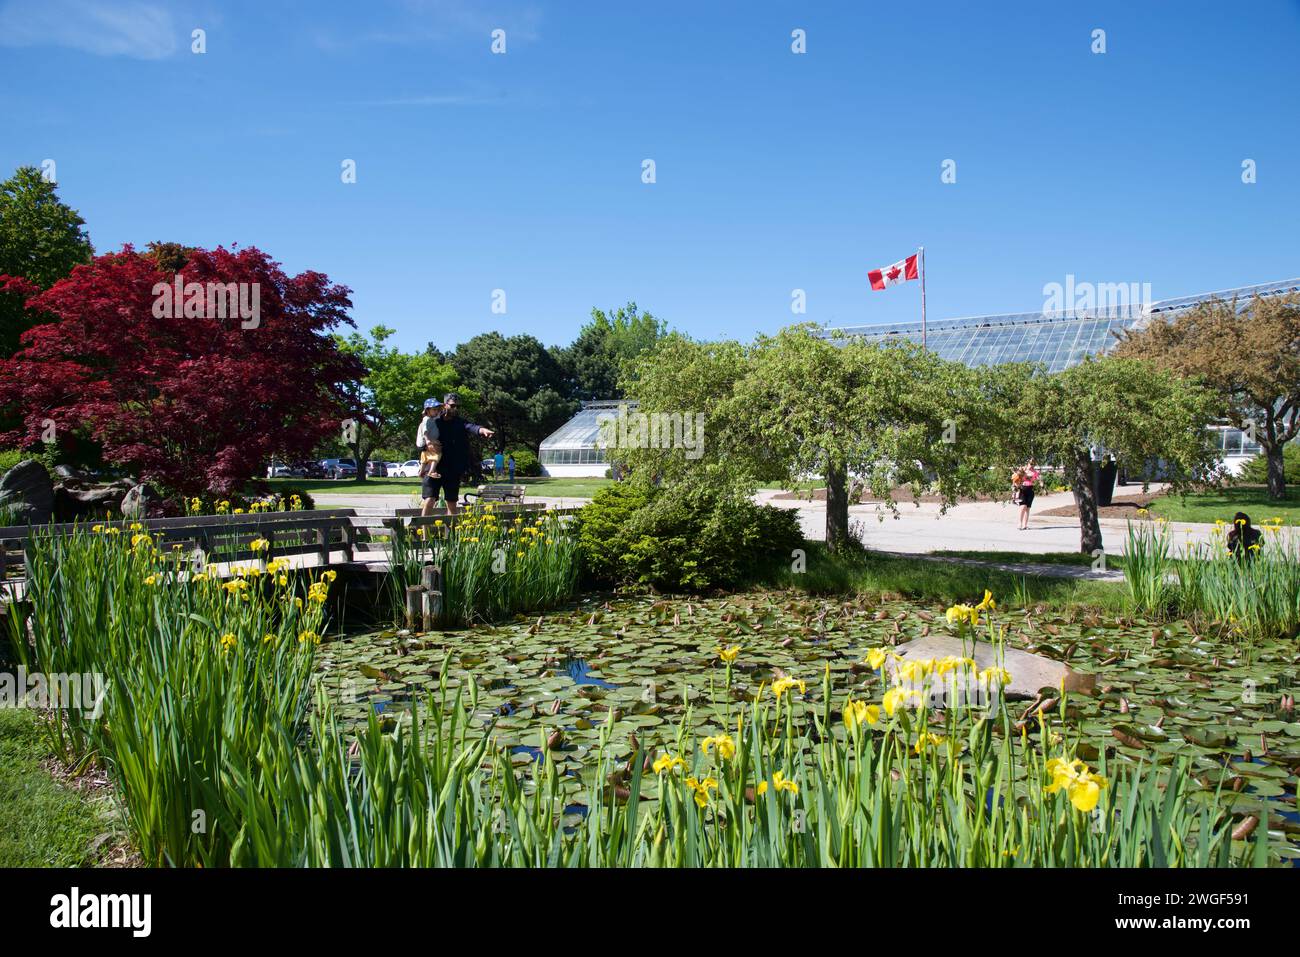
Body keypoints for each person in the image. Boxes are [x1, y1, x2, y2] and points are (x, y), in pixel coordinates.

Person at [421, 393, 494, 517]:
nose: (455, 409)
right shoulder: (434, 421)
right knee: (429, 500)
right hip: (434, 467)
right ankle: (424, 535)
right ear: (445, 405)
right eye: (453, 406)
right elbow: (422, 438)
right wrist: (427, 446)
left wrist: (482, 430)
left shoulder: (460, 422)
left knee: (452, 504)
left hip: (452, 469)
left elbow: (472, 427)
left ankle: (451, 534)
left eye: (458, 406)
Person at [416, 399, 442, 480]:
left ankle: (421, 472)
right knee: (437, 454)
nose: (436, 411)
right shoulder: (427, 419)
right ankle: (431, 471)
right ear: (427, 410)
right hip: (428, 440)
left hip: (428, 441)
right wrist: (428, 441)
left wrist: (442, 405)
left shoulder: (431, 418)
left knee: (425, 457)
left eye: (437, 410)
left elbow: (439, 413)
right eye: (434, 410)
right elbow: (425, 430)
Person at [1014, 458, 1040, 530]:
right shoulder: (1022, 469)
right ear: (1027, 463)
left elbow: (1039, 479)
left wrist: (1042, 485)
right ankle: (1019, 523)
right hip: (1022, 489)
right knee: (1023, 507)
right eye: (1030, 463)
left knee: (1027, 508)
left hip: (1030, 490)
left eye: (1033, 464)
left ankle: (1025, 525)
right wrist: (1015, 486)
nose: (1031, 465)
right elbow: (1015, 478)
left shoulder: (1034, 472)